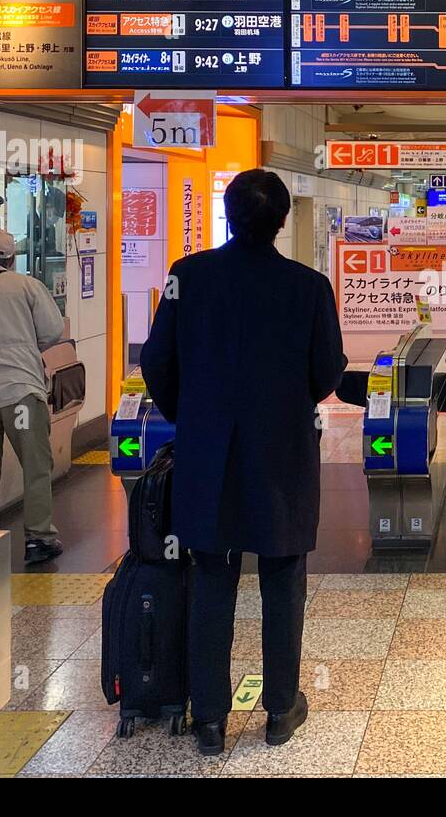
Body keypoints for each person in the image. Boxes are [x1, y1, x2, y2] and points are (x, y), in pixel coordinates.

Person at [140, 169, 345, 756]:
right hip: (282, 452)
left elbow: (158, 361)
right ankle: (281, 707)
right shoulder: (308, 287)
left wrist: (194, 417)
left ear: (228, 215)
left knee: (212, 578)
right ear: (282, 220)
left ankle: (209, 718)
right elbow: (327, 369)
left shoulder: (189, 276)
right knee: (283, 577)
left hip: (210, 454)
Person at [0, 227, 67, 565]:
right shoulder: (25, 285)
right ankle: (38, 537)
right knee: (35, 464)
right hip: (20, 392)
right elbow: (52, 330)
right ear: (10, 258)